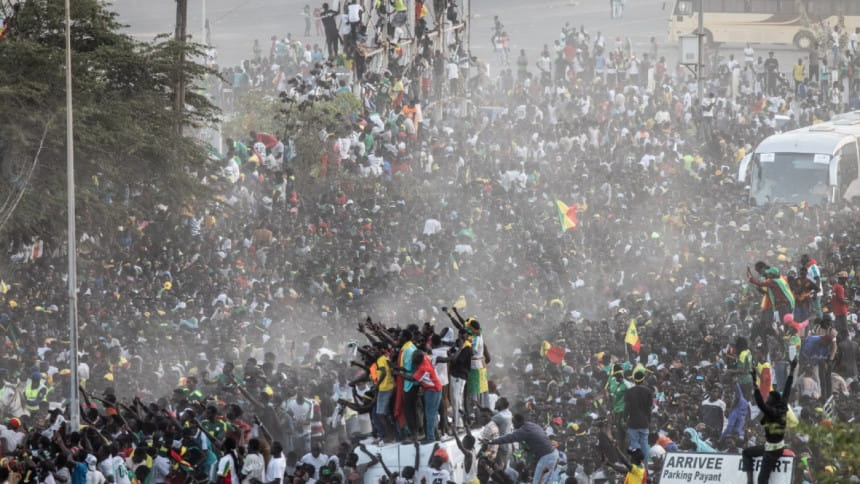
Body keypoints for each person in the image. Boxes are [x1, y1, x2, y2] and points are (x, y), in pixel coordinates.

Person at [742, 357, 797, 484]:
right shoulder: (782, 405)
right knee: (746, 453)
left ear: (772, 402)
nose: (767, 400)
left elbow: (760, 403)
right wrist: (792, 370)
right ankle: (749, 482)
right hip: (777, 446)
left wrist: (755, 383)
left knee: (762, 479)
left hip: (772, 450)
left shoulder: (772, 412)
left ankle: (750, 481)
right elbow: (787, 389)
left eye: (768, 399)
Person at [486, 414, 558, 484]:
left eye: (514, 422)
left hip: (546, 456)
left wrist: (491, 441)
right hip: (553, 453)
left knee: (538, 481)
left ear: (518, 422)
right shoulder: (531, 425)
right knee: (546, 481)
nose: (513, 424)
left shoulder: (523, 431)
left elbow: (508, 438)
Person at [624, 369, 654, 467]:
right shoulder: (648, 391)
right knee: (644, 445)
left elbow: (627, 408)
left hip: (633, 422)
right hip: (644, 422)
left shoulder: (629, 392)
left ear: (634, 380)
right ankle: (645, 468)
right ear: (643, 379)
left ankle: (637, 466)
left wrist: (624, 419)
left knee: (634, 444)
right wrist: (649, 421)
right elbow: (649, 409)